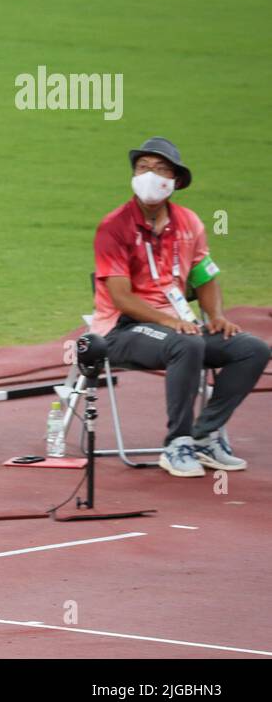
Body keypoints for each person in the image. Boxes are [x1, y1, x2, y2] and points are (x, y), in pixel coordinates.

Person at [92, 137, 270, 476]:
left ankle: (204, 436)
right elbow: (120, 296)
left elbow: (205, 277)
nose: (149, 175)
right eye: (142, 167)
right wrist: (170, 323)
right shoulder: (114, 226)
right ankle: (177, 443)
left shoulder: (190, 223)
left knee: (252, 349)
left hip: (180, 328)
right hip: (122, 329)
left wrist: (217, 316)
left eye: (160, 170)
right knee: (188, 343)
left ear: (175, 182)